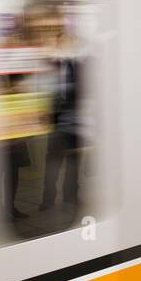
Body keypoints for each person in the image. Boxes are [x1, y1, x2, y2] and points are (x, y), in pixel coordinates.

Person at [39, 16, 84, 213]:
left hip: (75, 118)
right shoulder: (50, 65)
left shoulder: (78, 66)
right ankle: (48, 199)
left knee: (74, 159)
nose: (68, 46)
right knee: (53, 162)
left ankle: (71, 196)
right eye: (64, 42)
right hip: (56, 120)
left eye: (70, 42)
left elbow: (83, 90)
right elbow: (43, 91)